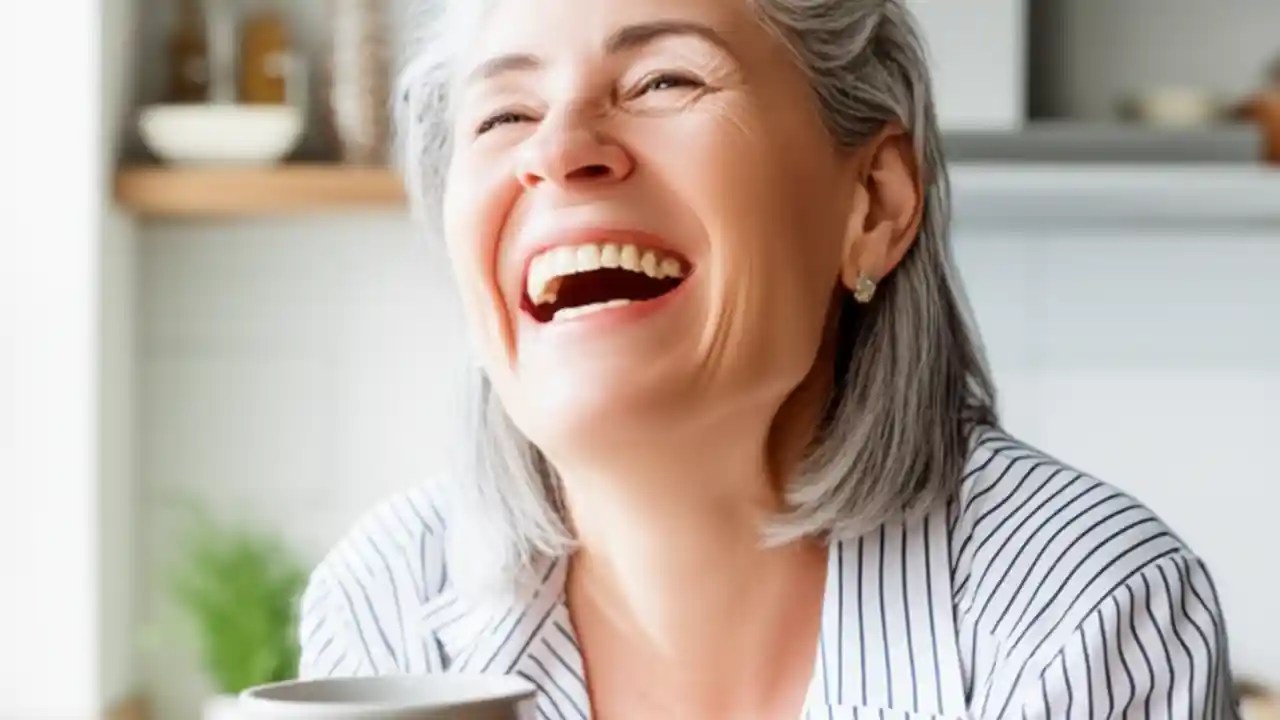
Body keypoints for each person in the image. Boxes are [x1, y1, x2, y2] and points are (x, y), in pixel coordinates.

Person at [297, 0, 1237, 717]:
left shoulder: (1080, 612)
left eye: (664, 81)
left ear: (872, 204)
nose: (559, 150)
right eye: (503, 114)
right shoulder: (390, 598)